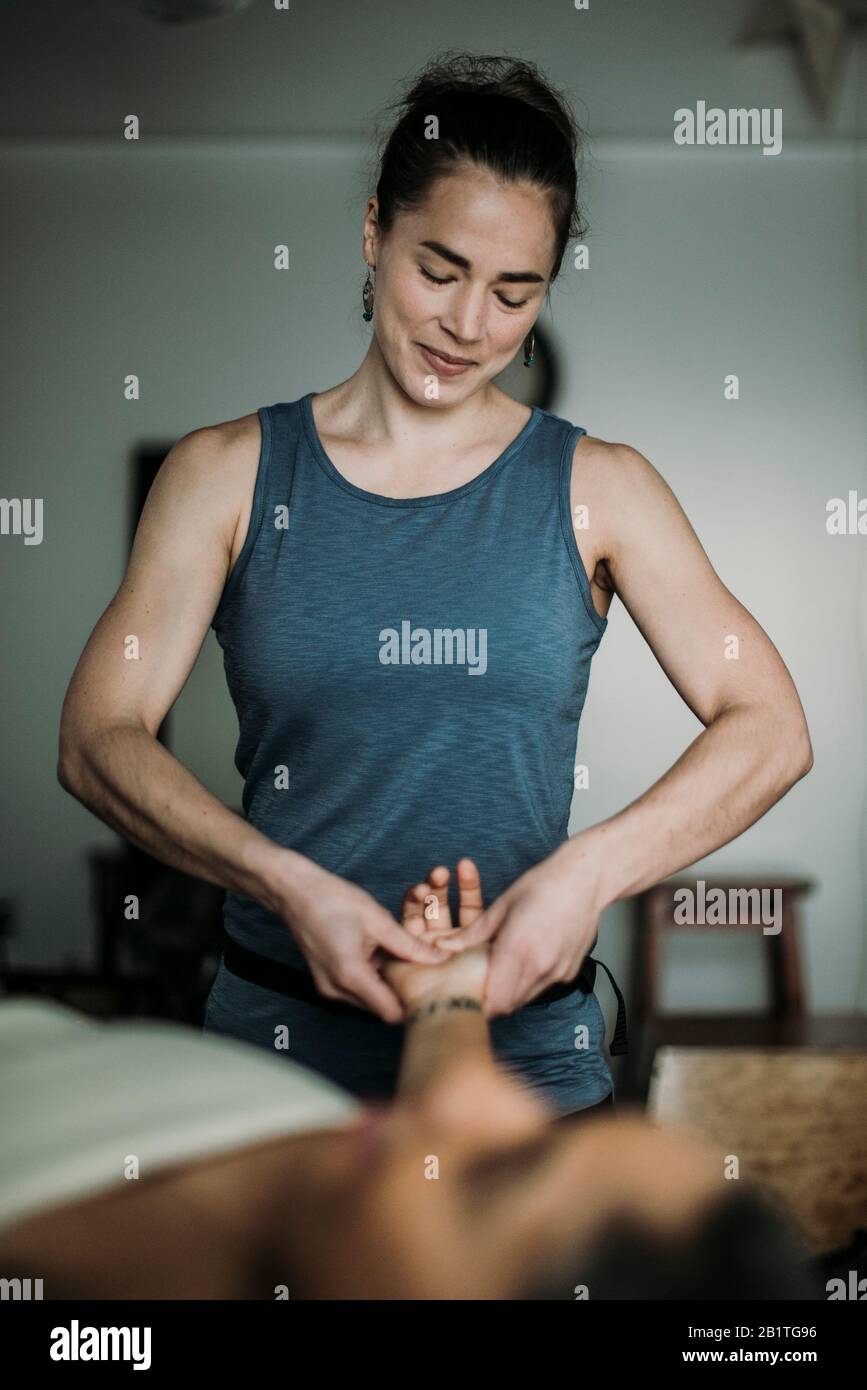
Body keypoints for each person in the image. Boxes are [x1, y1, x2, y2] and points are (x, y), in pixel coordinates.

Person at [57, 51, 812, 1115]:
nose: (469, 327)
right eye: (439, 270)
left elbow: (771, 726)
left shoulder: (603, 488)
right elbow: (97, 735)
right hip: (278, 1062)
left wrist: (587, 873)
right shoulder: (224, 475)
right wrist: (285, 881)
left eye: (515, 293)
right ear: (374, 232)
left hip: (527, 1064)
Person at [0, 862, 818, 1300]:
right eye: (540, 1131)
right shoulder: (355, 1183)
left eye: (493, 1178)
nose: (489, 1098)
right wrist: (449, 991)